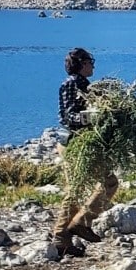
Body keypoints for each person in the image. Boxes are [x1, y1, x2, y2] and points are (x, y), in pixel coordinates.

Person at [52, 47, 118, 254]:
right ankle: (72, 229)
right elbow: (67, 116)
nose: (93, 65)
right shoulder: (71, 84)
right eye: (90, 61)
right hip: (73, 144)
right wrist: (94, 116)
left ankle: (68, 233)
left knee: (90, 186)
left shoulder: (85, 85)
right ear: (81, 63)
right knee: (96, 185)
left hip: (84, 143)